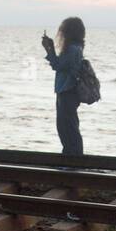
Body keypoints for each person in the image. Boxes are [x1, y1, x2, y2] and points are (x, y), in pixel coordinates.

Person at [41, 17, 86, 156]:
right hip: (65, 90)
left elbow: (58, 65)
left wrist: (49, 49)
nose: (61, 33)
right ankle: (70, 155)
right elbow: (60, 65)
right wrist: (50, 49)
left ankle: (74, 157)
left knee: (67, 126)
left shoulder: (72, 49)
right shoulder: (75, 48)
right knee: (66, 125)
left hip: (68, 90)